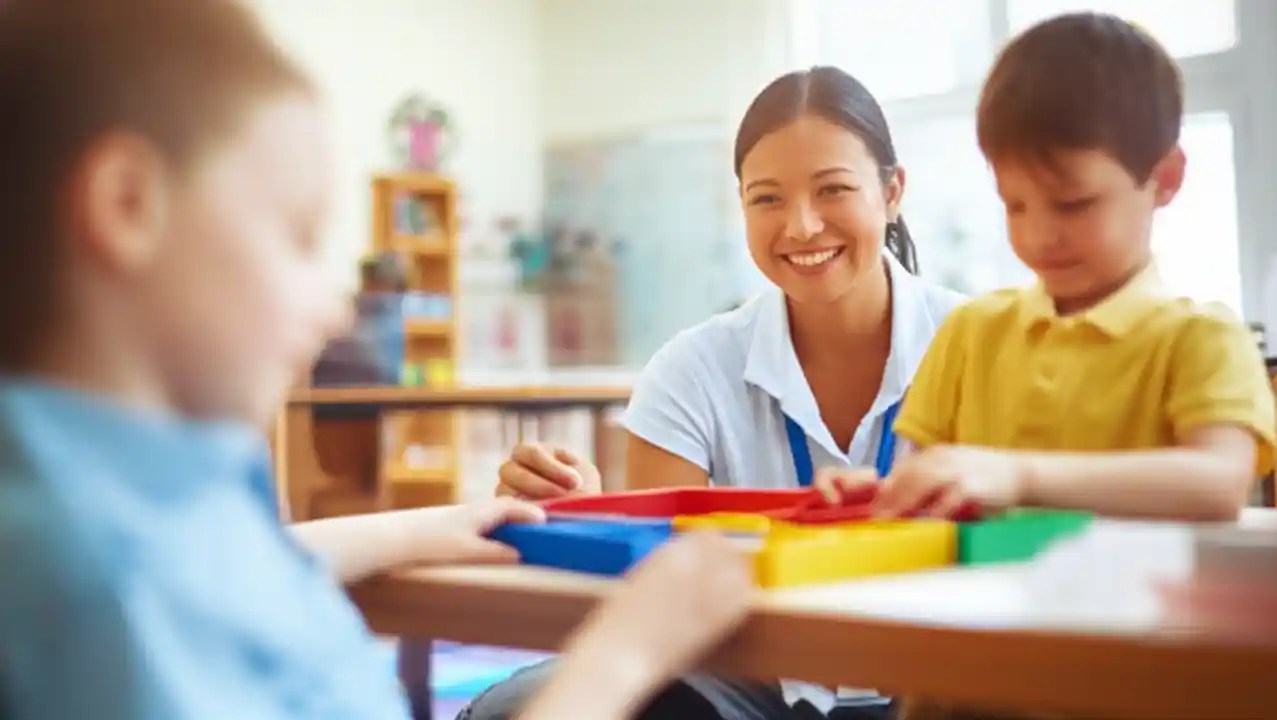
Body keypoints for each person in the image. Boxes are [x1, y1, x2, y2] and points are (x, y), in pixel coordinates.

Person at [0, 1, 753, 718]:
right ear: (129, 205)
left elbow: (241, 560)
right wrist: (622, 657)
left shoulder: (121, 492)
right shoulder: (94, 583)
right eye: (297, 237)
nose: (332, 307)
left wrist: (428, 526)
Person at [479, 66, 965, 720]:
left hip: (943, 682)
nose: (801, 227)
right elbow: (660, 589)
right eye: (767, 199)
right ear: (739, 204)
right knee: (520, 705)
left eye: (834, 190)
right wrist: (585, 517)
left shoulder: (975, 344)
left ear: (893, 190)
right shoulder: (691, 369)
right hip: (752, 684)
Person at [817, 13, 1277, 529]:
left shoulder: (1203, 338)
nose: (1038, 236)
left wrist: (1021, 477)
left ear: (1164, 178)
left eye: (1073, 205)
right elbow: (930, 482)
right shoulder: (973, 331)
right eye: (1015, 206)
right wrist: (876, 493)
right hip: (977, 608)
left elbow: (1217, 484)